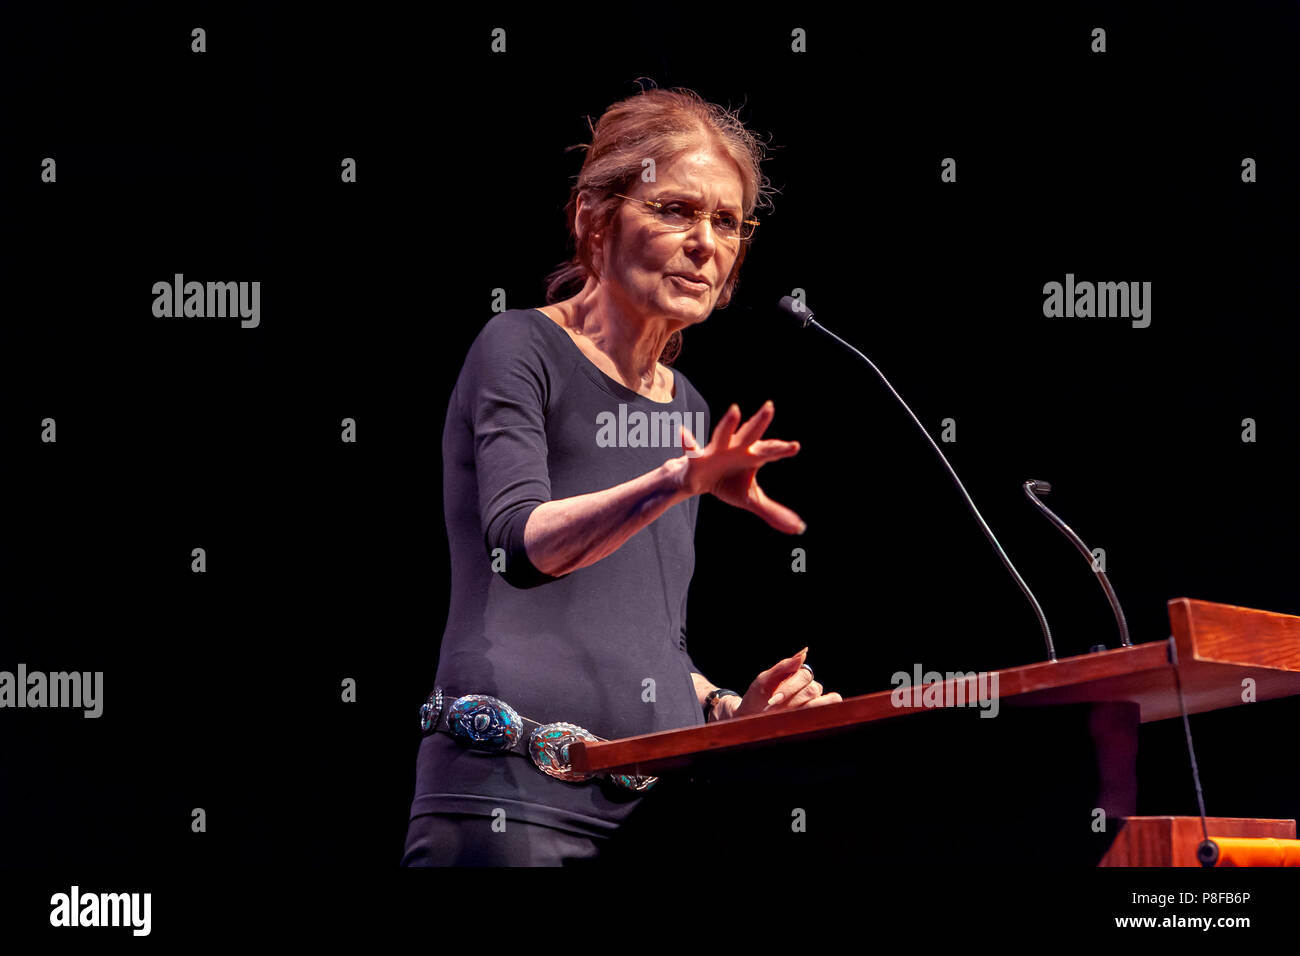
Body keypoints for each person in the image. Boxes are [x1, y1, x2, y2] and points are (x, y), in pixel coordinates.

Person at [401, 85, 842, 867]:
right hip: (508, 803)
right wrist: (673, 481)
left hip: (654, 820)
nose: (706, 242)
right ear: (594, 219)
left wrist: (731, 708)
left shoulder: (692, 410)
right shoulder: (519, 347)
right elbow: (522, 546)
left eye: (728, 221)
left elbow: (646, 636)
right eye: (675, 209)